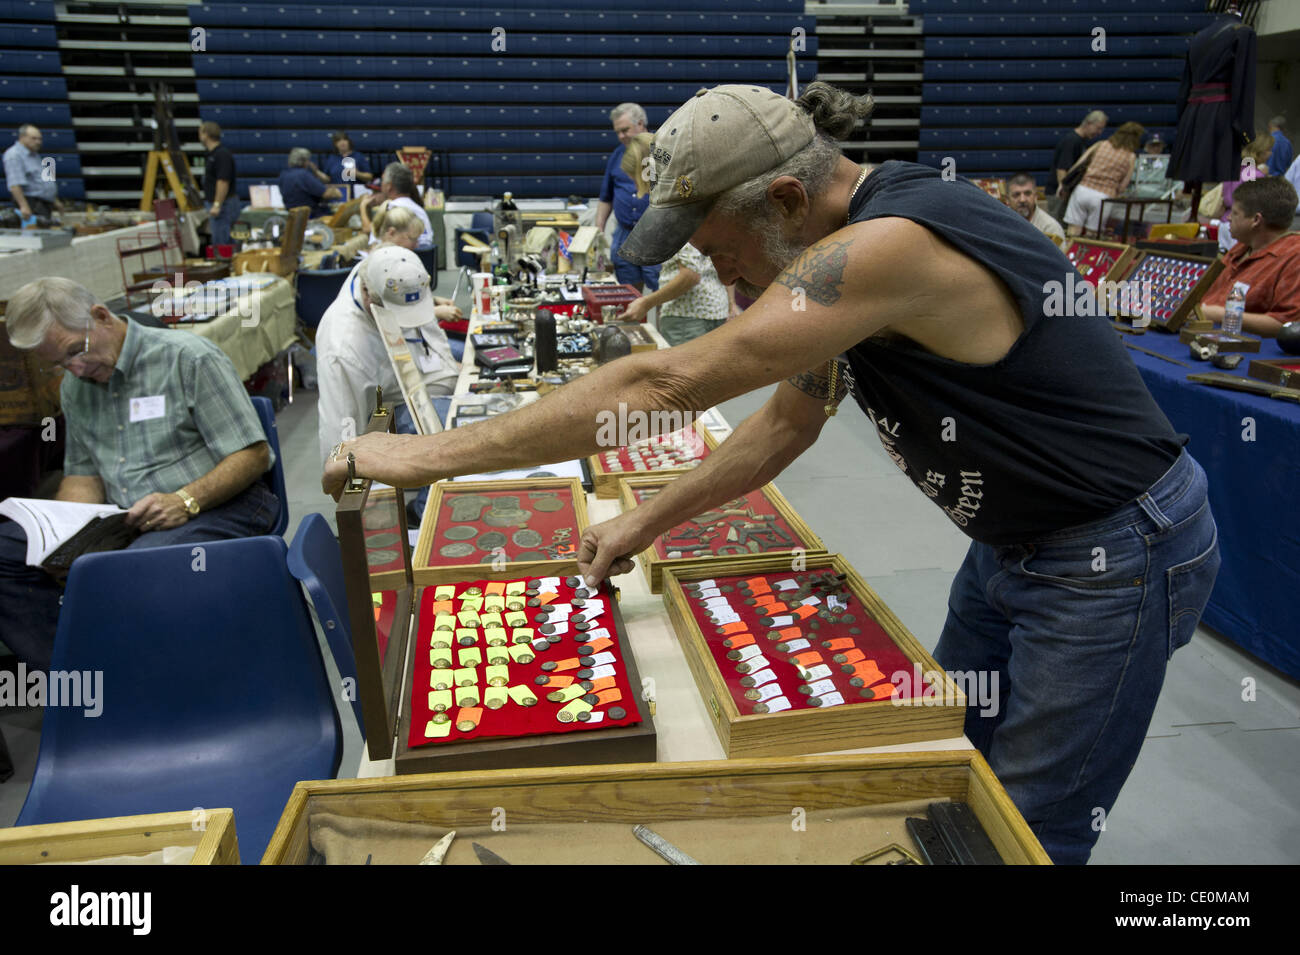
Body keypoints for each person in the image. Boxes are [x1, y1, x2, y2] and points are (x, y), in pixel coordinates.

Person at [323, 83, 1220, 865]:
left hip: (1113, 546)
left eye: (719, 249)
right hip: (1014, 542)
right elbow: (788, 422)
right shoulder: (840, 245)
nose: (719, 271)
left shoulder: (886, 247)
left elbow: (662, 381)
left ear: (787, 198)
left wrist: (418, 456)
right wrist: (642, 522)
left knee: (1033, 823)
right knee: (945, 761)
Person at [1, 277, 279, 671]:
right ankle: (78, 674)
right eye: (59, 363)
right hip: (131, 517)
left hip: (224, 502)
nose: (74, 369)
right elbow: (84, 476)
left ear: (101, 316)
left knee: (130, 569)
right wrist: (62, 536)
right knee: (6, 554)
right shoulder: (75, 387)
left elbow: (252, 454)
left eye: (73, 351)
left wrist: (185, 500)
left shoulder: (188, 358)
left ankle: (155, 679)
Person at [315, 244, 460, 468]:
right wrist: (345, 474)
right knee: (453, 434)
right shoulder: (343, 347)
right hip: (394, 405)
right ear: (367, 294)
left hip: (416, 376)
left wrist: (453, 368)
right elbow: (340, 433)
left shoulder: (383, 270)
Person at [617, 133, 733, 343]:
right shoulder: (692, 193)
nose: (635, 187)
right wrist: (731, 304)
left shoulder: (675, 205)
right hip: (712, 309)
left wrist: (646, 303)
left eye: (634, 178)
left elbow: (690, 275)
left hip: (688, 318)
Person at [1198, 177, 1300, 335]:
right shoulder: (1243, 246)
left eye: (1235, 212)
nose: (1229, 218)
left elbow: (1289, 325)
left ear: (1256, 220)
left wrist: (1219, 315)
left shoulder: (1294, 257)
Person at [596, 102, 660, 291]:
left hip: (655, 233)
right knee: (628, 290)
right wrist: (598, 230)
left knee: (661, 289)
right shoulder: (618, 155)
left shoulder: (661, 151)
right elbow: (605, 197)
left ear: (640, 124)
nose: (621, 136)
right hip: (625, 234)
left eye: (625, 130)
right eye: (618, 132)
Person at [1062, 121, 1145, 235]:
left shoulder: (1100, 144)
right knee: (1092, 233)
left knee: (1073, 229)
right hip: (1103, 196)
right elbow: (1123, 186)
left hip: (1082, 190)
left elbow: (1078, 165)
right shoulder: (1130, 156)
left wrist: (1064, 184)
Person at [1217, 132, 1273, 253]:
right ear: (1259, 151)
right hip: (1242, 225)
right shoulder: (1255, 174)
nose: (1270, 153)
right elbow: (1255, 203)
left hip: (1225, 223)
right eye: (1268, 150)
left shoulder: (1234, 168)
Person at [359, 162, 433, 250]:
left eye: (382, 180)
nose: (381, 184)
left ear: (389, 186)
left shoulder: (388, 210)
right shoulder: (421, 211)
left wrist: (362, 207)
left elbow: (374, 248)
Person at [1047, 110, 1107, 216]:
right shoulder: (1072, 141)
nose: (1099, 133)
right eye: (1098, 128)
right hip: (1059, 194)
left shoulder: (1081, 141)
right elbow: (1061, 169)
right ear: (1089, 123)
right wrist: (1064, 192)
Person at [198, 121, 241, 248]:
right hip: (221, 204)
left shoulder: (221, 154)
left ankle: (227, 265)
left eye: (200, 132)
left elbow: (223, 181)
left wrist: (217, 204)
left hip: (224, 205)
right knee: (221, 240)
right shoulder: (212, 154)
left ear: (206, 134)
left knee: (223, 244)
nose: (199, 136)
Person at [4, 124, 60, 222]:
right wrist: (24, 206)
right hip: (31, 204)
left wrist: (55, 201)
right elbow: (14, 184)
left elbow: (42, 181)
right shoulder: (14, 155)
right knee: (36, 235)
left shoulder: (34, 155)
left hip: (44, 204)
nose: (38, 142)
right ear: (22, 137)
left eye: (40, 139)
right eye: (34, 138)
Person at [278, 147, 340, 218]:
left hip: (292, 214)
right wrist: (336, 192)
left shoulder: (283, 174)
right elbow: (326, 194)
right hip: (310, 215)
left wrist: (316, 172)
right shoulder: (304, 175)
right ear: (305, 161)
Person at [1005, 173, 1064, 241]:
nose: (1022, 199)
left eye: (1027, 194)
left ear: (1036, 197)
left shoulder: (1050, 228)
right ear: (1007, 200)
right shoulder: (999, 223)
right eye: (1016, 195)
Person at [1266, 115, 1291, 181]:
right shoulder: (1288, 143)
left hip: (1264, 178)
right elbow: (1288, 164)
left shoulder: (1267, 140)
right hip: (1279, 181)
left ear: (1271, 125)